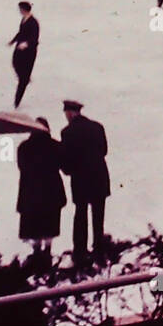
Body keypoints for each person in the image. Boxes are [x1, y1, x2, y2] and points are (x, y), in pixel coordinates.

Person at [59, 99, 110, 265]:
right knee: (98, 216)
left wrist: (68, 170)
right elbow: (104, 150)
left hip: (80, 180)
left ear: (70, 113)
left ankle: (80, 253)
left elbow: (66, 160)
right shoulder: (97, 127)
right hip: (100, 178)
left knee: (80, 215)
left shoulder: (67, 132)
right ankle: (99, 253)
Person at [16, 117, 67, 267]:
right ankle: (48, 251)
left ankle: (36, 252)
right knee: (50, 223)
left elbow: (22, 167)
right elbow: (63, 165)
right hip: (52, 192)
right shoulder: (56, 146)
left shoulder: (24, 147)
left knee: (33, 225)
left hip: (30, 193)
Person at [9, 1, 40, 108]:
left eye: (20, 9)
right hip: (19, 49)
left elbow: (34, 38)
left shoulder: (34, 22)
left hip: (29, 52)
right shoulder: (24, 19)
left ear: (24, 9)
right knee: (14, 62)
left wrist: (26, 44)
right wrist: (13, 41)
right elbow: (20, 32)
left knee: (23, 80)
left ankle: (17, 102)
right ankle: (25, 78)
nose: (19, 11)